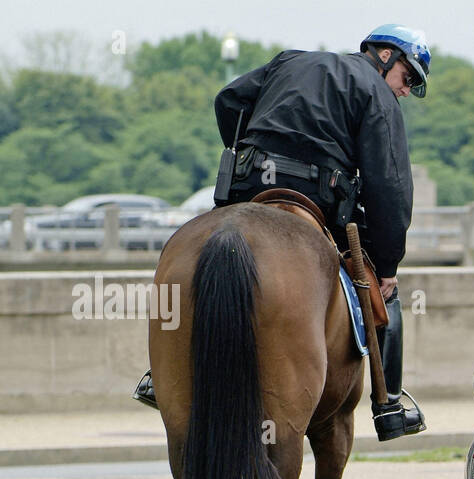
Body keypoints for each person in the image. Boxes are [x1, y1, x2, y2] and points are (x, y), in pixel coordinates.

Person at [134, 24, 429, 439]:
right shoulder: (376, 92)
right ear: (384, 56)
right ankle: (389, 404)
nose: (405, 89)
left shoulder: (289, 60)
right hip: (319, 197)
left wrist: (250, 151)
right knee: (387, 292)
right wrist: (388, 263)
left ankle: (158, 375)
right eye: (408, 77)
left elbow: (229, 99)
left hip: (251, 186)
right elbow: (390, 186)